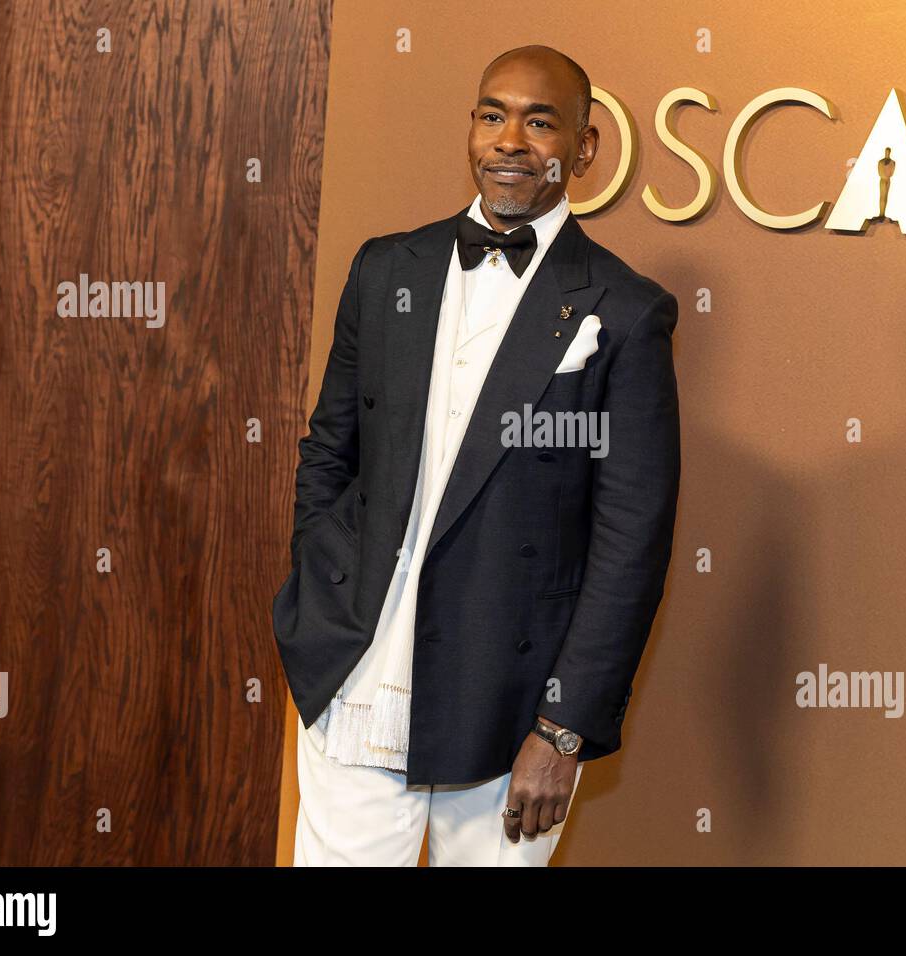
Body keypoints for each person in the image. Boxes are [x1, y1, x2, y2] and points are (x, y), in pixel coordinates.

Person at [272, 43, 681, 866]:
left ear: (585, 147)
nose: (510, 141)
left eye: (540, 122)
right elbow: (330, 448)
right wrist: (324, 584)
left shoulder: (627, 313)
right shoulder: (389, 267)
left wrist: (562, 730)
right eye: (493, 115)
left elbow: (630, 543)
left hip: (510, 708)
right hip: (356, 672)